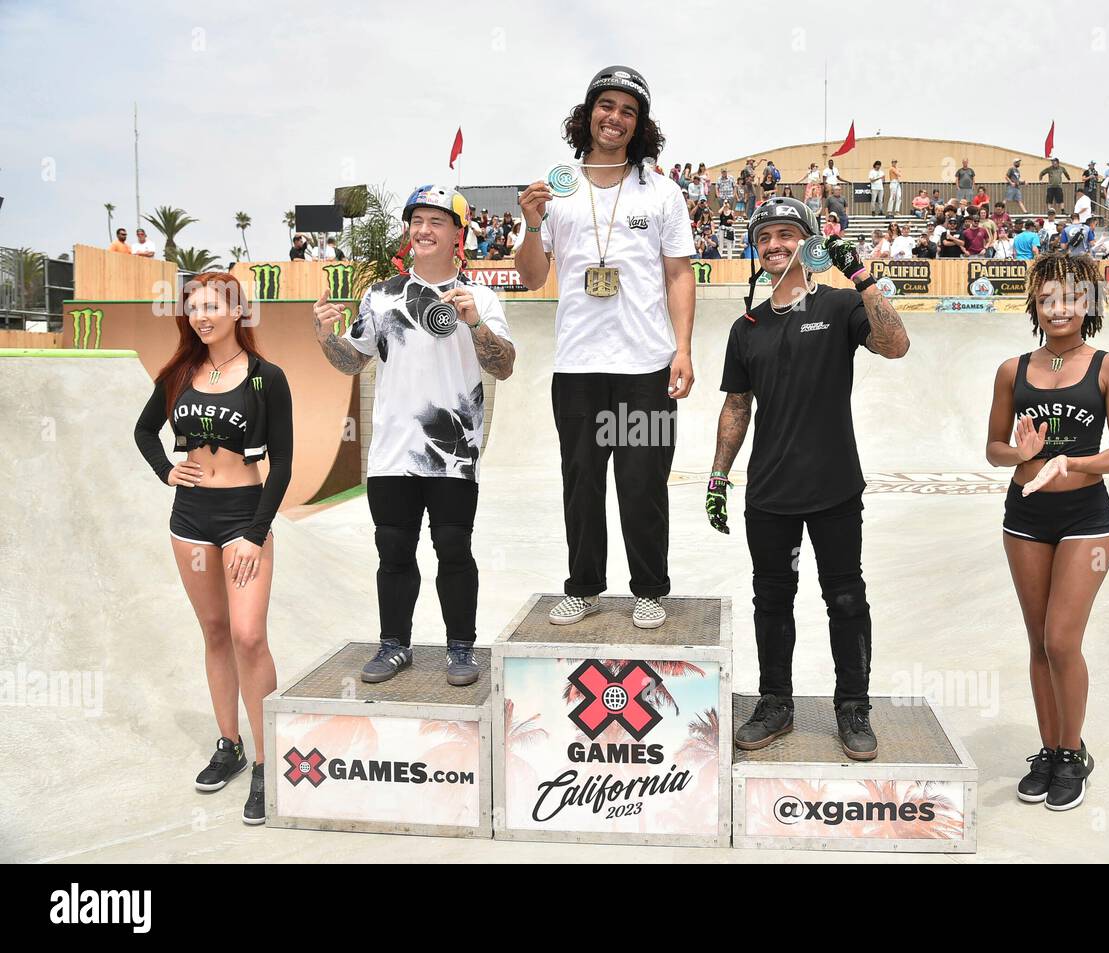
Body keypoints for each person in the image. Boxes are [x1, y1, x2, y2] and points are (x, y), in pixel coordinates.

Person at [708, 196, 910, 760]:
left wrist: (862, 273)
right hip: (768, 491)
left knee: (845, 598)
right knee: (771, 599)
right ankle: (776, 701)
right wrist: (718, 477)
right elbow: (736, 405)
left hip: (835, 486)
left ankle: (853, 707)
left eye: (786, 234)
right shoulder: (746, 327)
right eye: (765, 236)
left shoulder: (843, 304)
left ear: (807, 241)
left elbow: (896, 345)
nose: (775, 245)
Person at [515, 65, 695, 630]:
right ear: (588, 113)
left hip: (645, 367)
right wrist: (528, 224)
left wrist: (682, 349)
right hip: (579, 368)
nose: (614, 118)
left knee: (643, 484)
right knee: (582, 484)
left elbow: (678, 274)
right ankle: (584, 587)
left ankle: (649, 589)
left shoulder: (661, 190)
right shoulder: (558, 187)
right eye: (606, 106)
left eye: (627, 110)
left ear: (640, 124)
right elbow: (532, 278)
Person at [314, 184, 515, 687]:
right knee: (394, 551)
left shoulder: (482, 296)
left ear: (457, 234)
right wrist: (323, 334)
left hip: (453, 451)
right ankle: (394, 644)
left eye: (437, 221)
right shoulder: (381, 295)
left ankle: (461, 649)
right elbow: (352, 361)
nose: (424, 230)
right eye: (417, 220)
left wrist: (475, 325)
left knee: (453, 548)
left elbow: (505, 366)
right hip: (392, 453)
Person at [133, 271, 294, 825]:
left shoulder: (265, 379)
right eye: (194, 307)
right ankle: (229, 745)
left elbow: (284, 465)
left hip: (245, 515)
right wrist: (165, 470)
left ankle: (268, 762)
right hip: (190, 520)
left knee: (250, 636)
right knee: (217, 632)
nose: (202, 316)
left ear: (236, 312)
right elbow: (143, 431)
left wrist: (255, 531)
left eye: (212, 306)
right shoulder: (179, 375)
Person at [984, 252, 1109, 811]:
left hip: (1085, 519)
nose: (1058, 308)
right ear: (1034, 305)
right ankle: (1048, 750)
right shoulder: (1012, 370)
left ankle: (1073, 753)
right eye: (1046, 298)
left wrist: (1070, 464)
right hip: (1023, 518)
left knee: (1062, 640)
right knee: (1037, 642)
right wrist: (1018, 453)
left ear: (1089, 303)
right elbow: (994, 448)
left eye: (1070, 297)